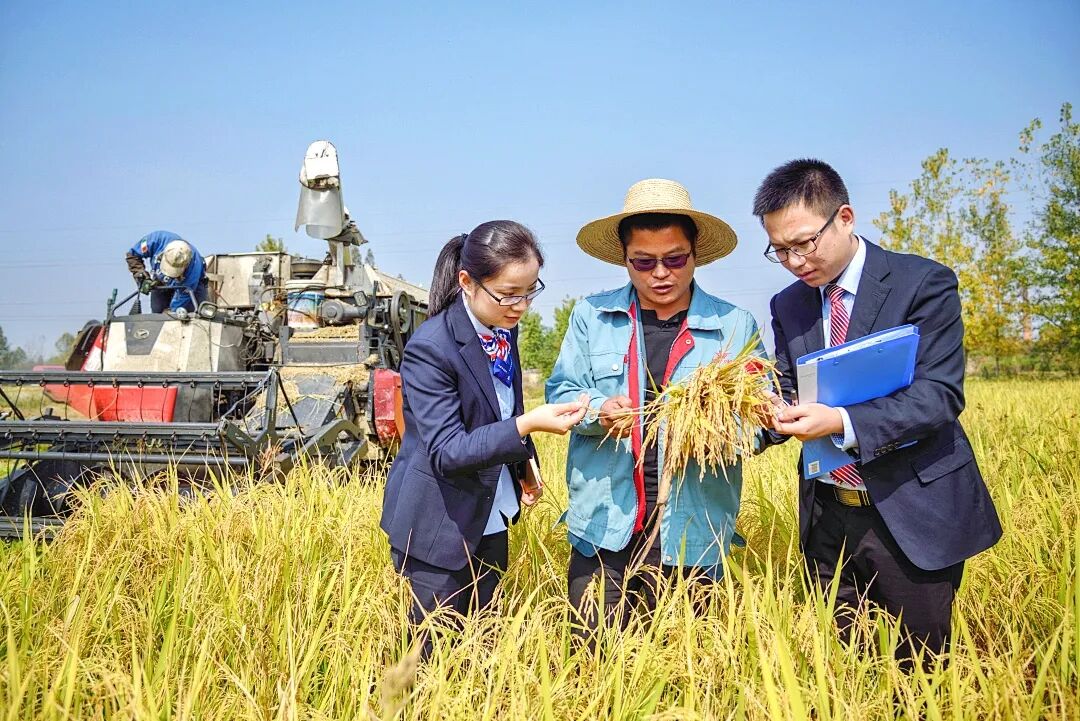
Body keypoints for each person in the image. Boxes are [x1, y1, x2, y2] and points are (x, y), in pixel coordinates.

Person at [754, 159, 1002, 667]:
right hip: (827, 513)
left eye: (805, 243)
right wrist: (756, 415)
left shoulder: (922, 283)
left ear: (844, 217)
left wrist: (842, 423)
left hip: (909, 510)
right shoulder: (789, 304)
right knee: (846, 667)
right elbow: (787, 383)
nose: (796, 261)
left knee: (920, 670)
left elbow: (938, 395)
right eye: (780, 251)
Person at [546, 179, 763, 635]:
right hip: (605, 530)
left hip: (693, 533)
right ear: (625, 260)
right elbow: (562, 393)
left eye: (674, 259)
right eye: (643, 262)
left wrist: (712, 427)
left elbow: (759, 421)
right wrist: (600, 410)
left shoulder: (733, 327)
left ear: (695, 253)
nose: (660, 273)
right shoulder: (591, 317)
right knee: (595, 663)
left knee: (687, 668)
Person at [380, 220, 588, 657]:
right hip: (439, 524)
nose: (521, 306)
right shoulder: (431, 348)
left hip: (490, 513)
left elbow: (501, 409)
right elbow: (447, 451)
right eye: (508, 294)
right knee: (429, 659)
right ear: (466, 283)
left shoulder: (502, 329)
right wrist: (527, 426)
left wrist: (523, 468)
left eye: (531, 291)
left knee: (480, 647)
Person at [125, 230, 209, 312]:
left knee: (189, 316)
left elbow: (183, 297)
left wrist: (172, 313)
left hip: (190, 288)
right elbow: (132, 255)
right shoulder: (155, 240)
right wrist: (141, 276)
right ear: (162, 255)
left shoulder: (194, 267)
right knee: (157, 312)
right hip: (160, 281)